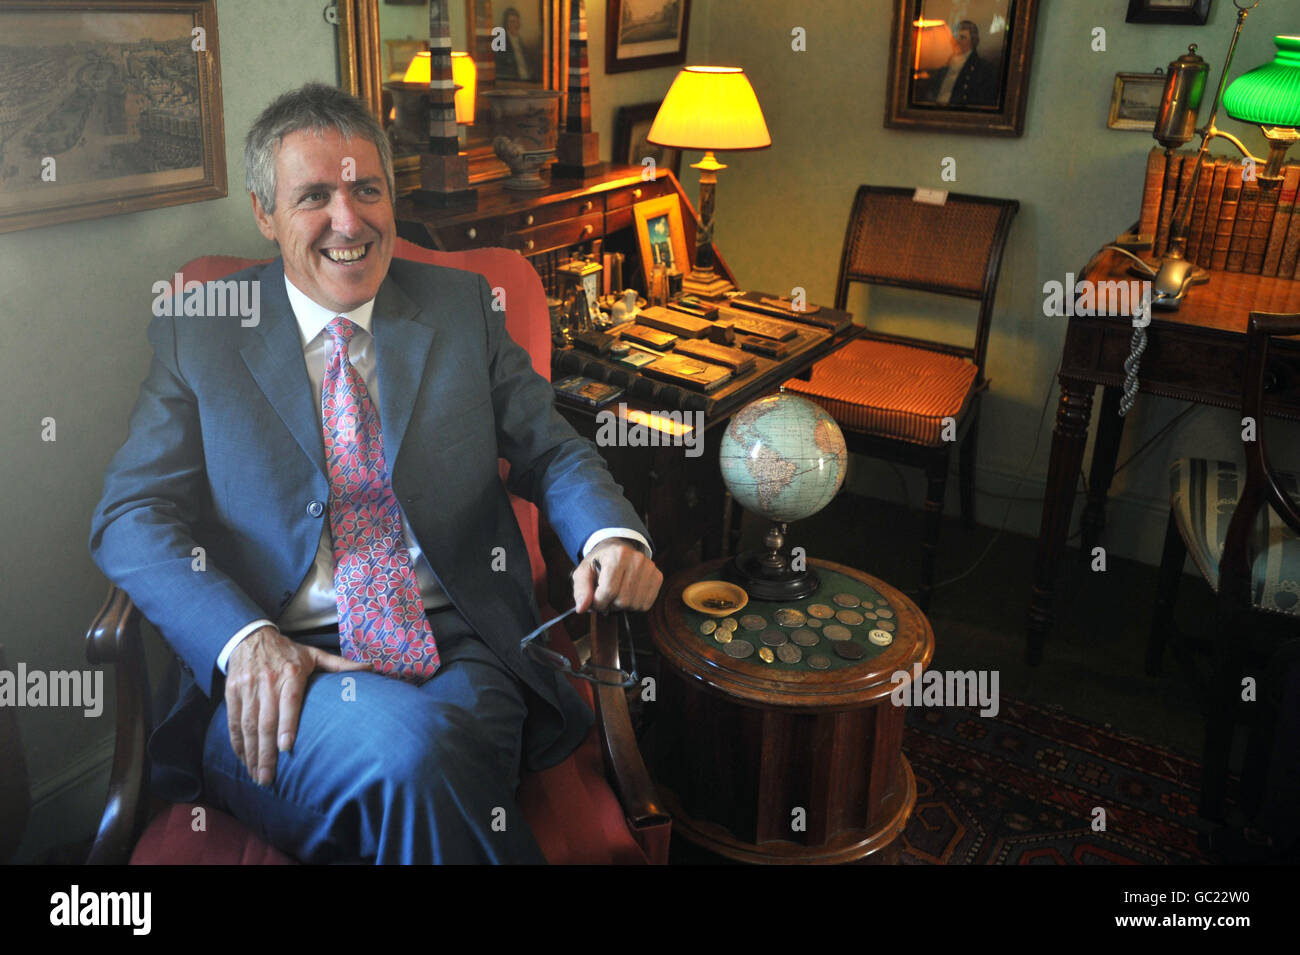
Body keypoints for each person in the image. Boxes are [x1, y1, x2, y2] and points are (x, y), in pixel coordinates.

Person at [88, 83, 663, 864]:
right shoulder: (203, 330)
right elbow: (130, 514)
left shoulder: (462, 307)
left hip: (461, 646)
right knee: (419, 761)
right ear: (264, 213)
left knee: (423, 766)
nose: (348, 221)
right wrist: (245, 639)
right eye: (314, 196)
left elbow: (551, 446)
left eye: (367, 189)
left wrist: (608, 532)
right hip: (285, 674)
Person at [917, 19, 1000, 109]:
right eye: (955, 36)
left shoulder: (983, 69)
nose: (957, 41)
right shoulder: (944, 69)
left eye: (962, 37)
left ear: (973, 41)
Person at [495, 7, 538, 82]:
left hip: (527, 81)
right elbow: (500, 68)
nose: (515, 25)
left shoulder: (521, 43)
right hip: (512, 82)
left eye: (517, 22)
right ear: (506, 24)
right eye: (512, 22)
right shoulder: (501, 41)